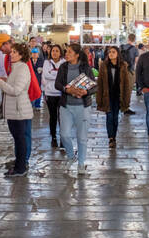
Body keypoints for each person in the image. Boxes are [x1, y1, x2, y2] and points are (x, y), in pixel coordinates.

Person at [56, 42, 96, 170]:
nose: (66, 54)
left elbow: (94, 85)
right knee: (64, 134)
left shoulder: (85, 68)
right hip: (66, 106)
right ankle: (71, 155)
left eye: (69, 52)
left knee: (82, 136)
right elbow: (57, 84)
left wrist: (86, 92)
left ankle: (81, 163)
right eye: (66, 51)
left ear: (77, 55)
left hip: (82, 107)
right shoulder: (63, 67)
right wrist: (67, 90)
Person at [0, 42, 33, 177]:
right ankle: (19, 164)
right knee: (18, 139)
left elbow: (16, 90)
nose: (10, 54)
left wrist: (0, 82)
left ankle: (20, 167)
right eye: (11, 52)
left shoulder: (22, 68)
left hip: (20, 111)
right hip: (14, 111)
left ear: (21, 55)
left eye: (14, 52)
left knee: (20, 139)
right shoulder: (16, 68)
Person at [95, 45, 132, 149]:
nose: (111, 54)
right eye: (109, 52)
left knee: (115, 117)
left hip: (118, 95)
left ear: (117, 54)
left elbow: (126, 83)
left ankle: (114, 136)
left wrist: (126, 97)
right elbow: (100, 82)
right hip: (107, 95)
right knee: (109, 116)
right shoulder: (104, 65)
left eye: (113, 52)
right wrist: (99, 97)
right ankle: (110, 138)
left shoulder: (123, 66)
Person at [40, 43, 65, 148]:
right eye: (53, 51)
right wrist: (57, 76)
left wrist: (53, 75)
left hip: (61, 93)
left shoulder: (64, 63)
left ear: (60, 53)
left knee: (62, 117)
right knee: (53, 116)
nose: (54, 53)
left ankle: (63, 139)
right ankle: (54, 137)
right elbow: (46, 75)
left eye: (57, 51)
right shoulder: (46, 62)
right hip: (50, 93)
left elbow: (63, 77)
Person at [121, 34, 140, 113]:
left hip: (120, 71)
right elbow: (136, 62)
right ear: (134, 39)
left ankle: (120, 105)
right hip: (129, 71)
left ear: (128, 38)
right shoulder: (135, 49)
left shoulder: (121, 47)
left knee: (121, 89)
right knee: (128, 90)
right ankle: (126, 108)